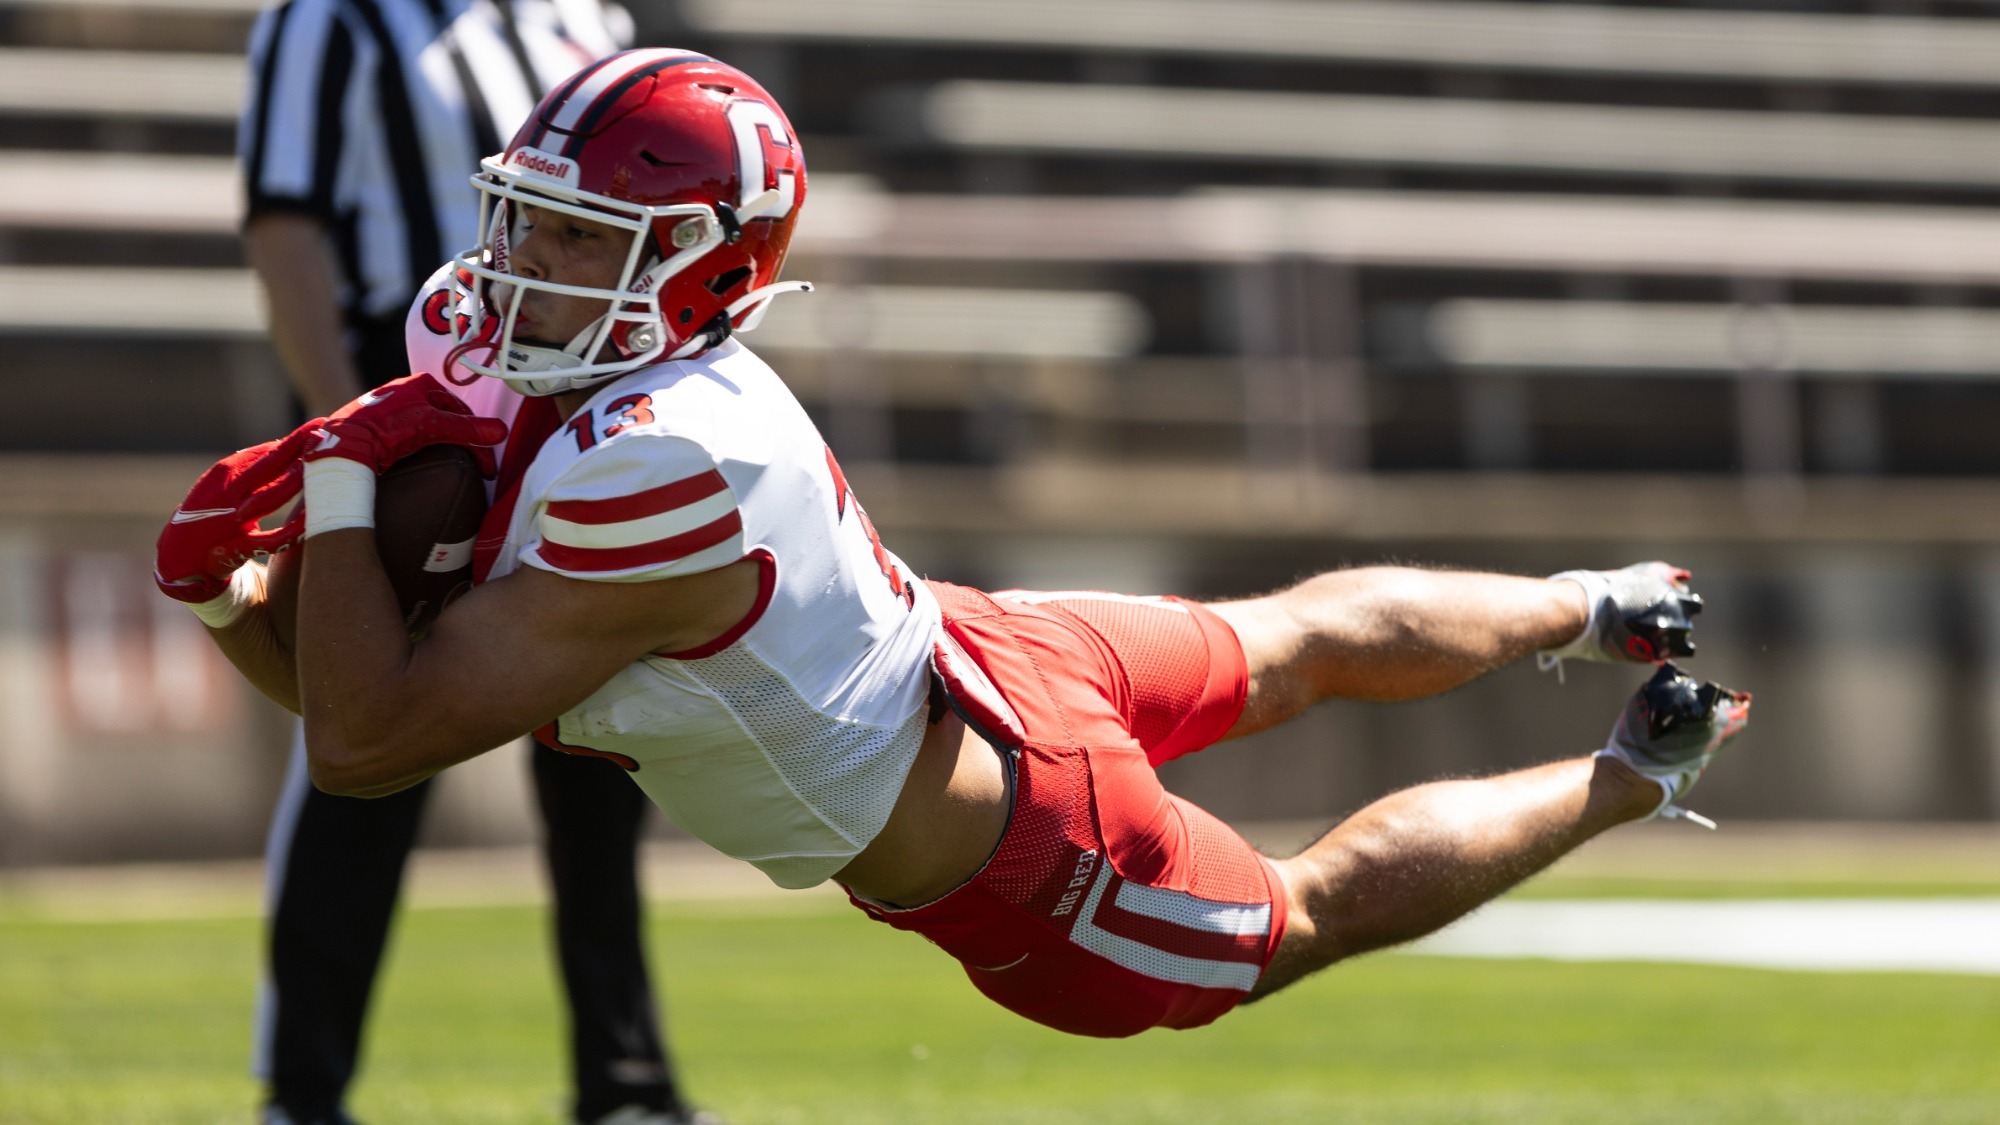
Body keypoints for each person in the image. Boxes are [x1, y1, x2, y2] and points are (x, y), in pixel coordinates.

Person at [161, 49, 1751, 1046]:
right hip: (981, 649)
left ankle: (1631, 772)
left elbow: (370, 739)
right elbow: (353, 693)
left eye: (585, 237)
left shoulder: (654, 463)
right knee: (1286, 640)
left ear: (710, 268)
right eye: (526, 214)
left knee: (1297, 913)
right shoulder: (609, 378)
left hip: (1018, 837)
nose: (526, 263)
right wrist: (246, 603)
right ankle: (1592, 598)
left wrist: (346, 478)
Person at [235, 7, 713, 1123]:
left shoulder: (578, 12)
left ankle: (625, 1085)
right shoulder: (331, 16)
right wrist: (349, 439)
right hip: (411, 434)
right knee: (364, 754)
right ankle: (301, 1094)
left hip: (566, 416)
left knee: (600, 754)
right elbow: (283, 227)